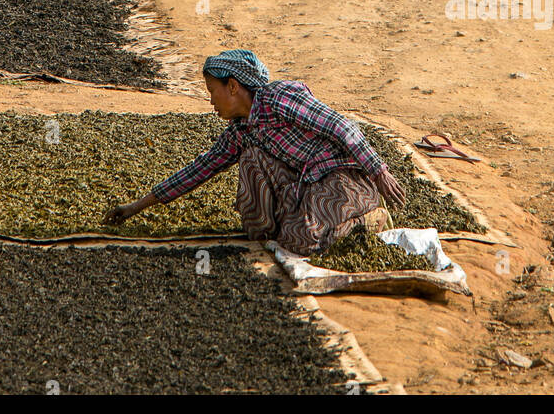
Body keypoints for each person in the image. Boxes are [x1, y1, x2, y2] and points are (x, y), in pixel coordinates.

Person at [105, 48, 406, 257]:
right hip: (306, 185)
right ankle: (292, 226)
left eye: (212, 90)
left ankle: (368, 218)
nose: (211, 100)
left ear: (233, 86)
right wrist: (135, 207)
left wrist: (379, 171)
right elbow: (199, 170)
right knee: (252, 161)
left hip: (341, 179)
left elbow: (342, 127)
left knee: (304, 240)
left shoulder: (278, 97)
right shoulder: (241, 131)